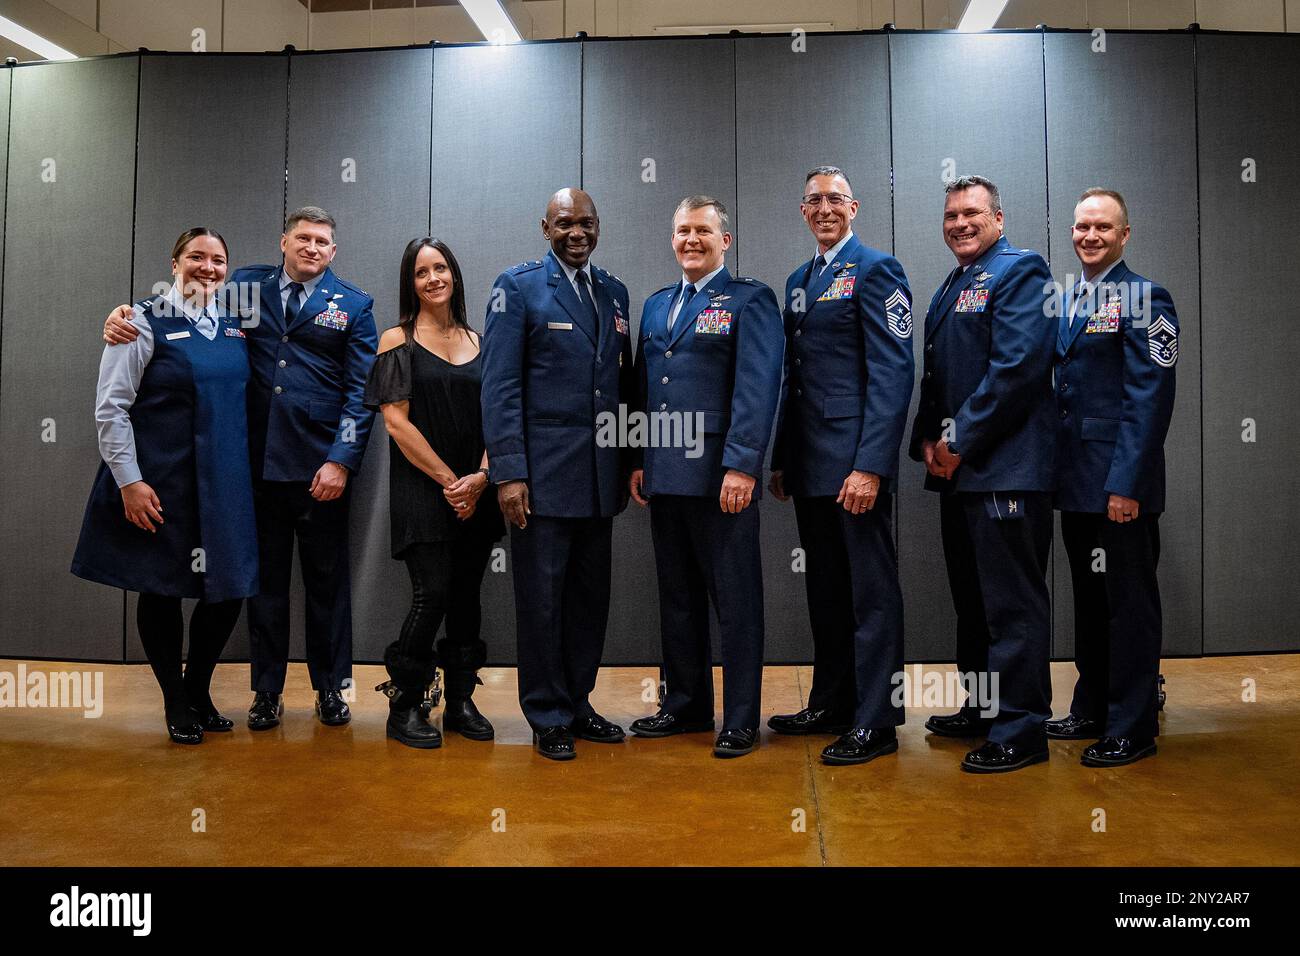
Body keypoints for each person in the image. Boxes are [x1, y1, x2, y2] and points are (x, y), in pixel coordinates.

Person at [104, 207, 378, 731]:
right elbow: (181, 297)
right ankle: (266, 691)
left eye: (322, 241)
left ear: (333, 250)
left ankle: (331, 690)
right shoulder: (244, 287)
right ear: (283, 241)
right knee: (262, 585)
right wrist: (125, 314)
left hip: (321, 469)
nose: (312, 248)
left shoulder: (354, 305)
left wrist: (341, 460)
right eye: (303, 238)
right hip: (251, 467)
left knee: (327, 584)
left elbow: (360, 395)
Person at [73, 228, 258, 744]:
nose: (208, 268)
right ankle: (175, 701)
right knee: (162, 588)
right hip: (161, 480)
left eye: (218, 260)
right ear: (174, 262)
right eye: (196, 257)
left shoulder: (235, 322)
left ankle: (198, 689)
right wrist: (129, 482)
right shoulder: (139, 322)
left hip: (225, 482)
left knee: (226, 590)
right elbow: (111, 408)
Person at [907, 175, 1058, 773]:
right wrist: (927, 436)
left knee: (1012, 606)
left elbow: (1018, 368)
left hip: (1007, 472)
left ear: (998, 218)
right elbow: (938, 372)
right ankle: (983, 708)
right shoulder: (953, 283)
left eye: (971, 214)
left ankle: (1022, 728)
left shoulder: (1022, 271)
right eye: (951, 216)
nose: (960, 224)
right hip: (960, 474)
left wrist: (958, 438)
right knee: (973, 602)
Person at [480, 187, 635, 761]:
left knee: (589, 600)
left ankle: (578, 701)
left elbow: (621, 385)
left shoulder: (613, 291)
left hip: (600, 479)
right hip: (540, 480)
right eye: (565, 223)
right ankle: (546, 713)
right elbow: (499, 387)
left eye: (587, 223)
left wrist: (628, 460)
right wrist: (509, 473)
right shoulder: (516, 287)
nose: (578, 233)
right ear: (544, 227)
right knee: (542, 601)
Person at [767, 166, 915, 766]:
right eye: (814, 201)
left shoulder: (878, 270)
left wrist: (872, 465)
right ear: (803, 211)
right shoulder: (800, 278)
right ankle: (832, 701)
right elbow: (792, 380)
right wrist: (782, 460)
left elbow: (893, 371)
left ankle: (876, 719)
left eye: (835, 199)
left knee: (870, 593)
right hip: (810, 466)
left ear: (853, 207)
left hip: (855, 466)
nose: (825, 208)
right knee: (827, 591)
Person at [627, 196, 784, 759]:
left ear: (726, 240)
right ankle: (686, 704)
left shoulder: (751, 300)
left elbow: (757, 386)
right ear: (672, 239)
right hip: (666, 475)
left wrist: (742, 464)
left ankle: (740, 716)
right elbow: (647, 391)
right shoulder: (655, 305)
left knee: (735, 601)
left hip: (722, 479)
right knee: (678, 599)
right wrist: (639, 458)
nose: (691, 240)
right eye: (682, 231)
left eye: (703, 231)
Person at [1049, 188, 1177, 767]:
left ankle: (1133, 724)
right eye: (1081, 227)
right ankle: (1092, 705)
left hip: (1119, 486)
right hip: (1076, 482)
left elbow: (1149, 400)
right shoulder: (1069, 297)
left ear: (1125, 234)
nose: (1090, 236)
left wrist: (1126, 484)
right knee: (1091, 602)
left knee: (1128, 605)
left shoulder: (1146, 297)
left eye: (1102, 227)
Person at [363, 237, 504, 749]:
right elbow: (396, 425)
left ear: (454, 275)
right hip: (427, 489)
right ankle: (405, 705)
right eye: (421, 272)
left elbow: (500, 417)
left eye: (440, 267)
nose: (433, 278)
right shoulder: (394, 340)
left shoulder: (481, 341)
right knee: (434, 593)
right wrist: (452, 482)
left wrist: (483, 477)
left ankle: (462, 701)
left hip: (478, 488)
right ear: (411, 283)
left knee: (467, 597)